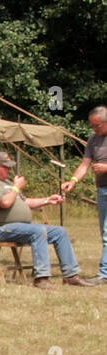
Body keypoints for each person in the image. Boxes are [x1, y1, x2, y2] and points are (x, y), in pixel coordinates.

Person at [0, 150, 94, 288]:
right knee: (38, 231)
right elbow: (5, 203)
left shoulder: (7, 182)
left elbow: (26, 202)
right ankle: (41, 278)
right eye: (7, 167)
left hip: (22, 227)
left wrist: (48, 200)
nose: (10, 170)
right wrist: (16, 188)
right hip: (2, 228)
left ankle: (71, 276)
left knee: (60, 232)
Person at [59, 105, 107, 283]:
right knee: (105, 232)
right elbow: (85, 164)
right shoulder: (93, 139)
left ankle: (104, 274)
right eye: (92, 125)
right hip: (103, 190)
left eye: (97, 125)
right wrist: (73, 181)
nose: (94, 129)